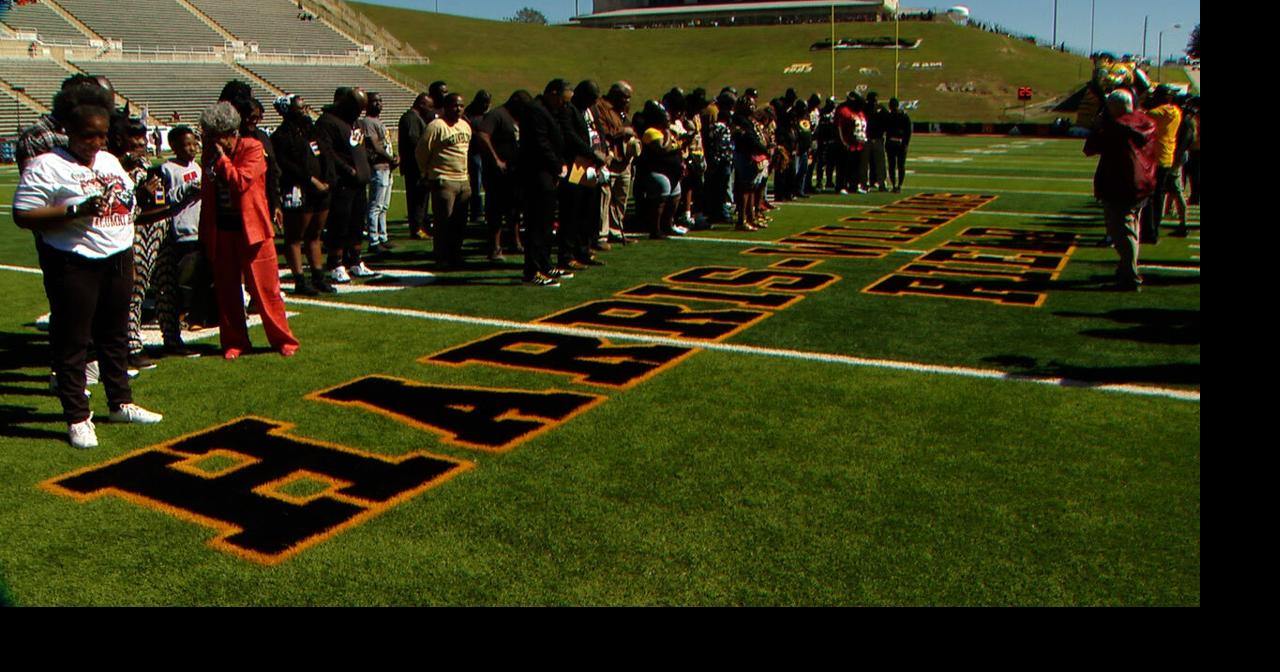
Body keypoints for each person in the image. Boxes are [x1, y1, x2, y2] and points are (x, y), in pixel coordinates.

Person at [13, 82, 163, 449]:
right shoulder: (47, 164)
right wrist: (73, 211)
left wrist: (140, 197)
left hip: (117, 254)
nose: (95, 142)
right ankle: (78, 416)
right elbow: (23, 214)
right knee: (74, 340)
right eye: (87, 135)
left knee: (114, 335)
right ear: (66, 130)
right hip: (75, 260)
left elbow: (123, 204)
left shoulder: (110, 160)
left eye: (101, 135)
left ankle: (120, 401)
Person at [199, 101, 300, 359]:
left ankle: (282, 338)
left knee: (266, 289)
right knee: (227, 290)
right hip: (223, 230)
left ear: (228, 134)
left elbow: (240, 181)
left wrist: (221, 159)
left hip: (253, 231)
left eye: (213, 136)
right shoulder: (209, 155)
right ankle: (235, 341)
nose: (209, 142)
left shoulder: (253, 148)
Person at [110, 113, 169, 371]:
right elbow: (120, 206)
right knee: (134, 287)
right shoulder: (113, 167)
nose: (140, 143)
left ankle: (171, 337)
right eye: (134, 138)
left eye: (142, 137)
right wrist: (138, 193)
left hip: (157, 227)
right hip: (132, 230)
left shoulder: (145, 165)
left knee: (157, 285)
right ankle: (131, 346)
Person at [1083, 89, 1157, 292]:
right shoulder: (1145, 120)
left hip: (1120, 184)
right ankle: (1125, 270)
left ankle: (1131, 276)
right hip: (1144, 181)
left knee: (1122, 233)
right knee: (1133, 230)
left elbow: (1090, 148)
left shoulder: (1115, 127)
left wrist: (1099, 126)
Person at [272, 94, 336, 295]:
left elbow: (325, 154)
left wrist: (327, 179)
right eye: (299, 108)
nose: (305, 111)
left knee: (315, 235)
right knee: (295, 236)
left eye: (305, 107)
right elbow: (287, 165)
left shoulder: (313, 131)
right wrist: (311, 180)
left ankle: (318, 275)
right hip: (299, 189)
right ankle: (300, 278)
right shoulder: (281, 136)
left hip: (322, 189)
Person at [316, 86, 375, 282]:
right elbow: (327, 151)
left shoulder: (355, 122)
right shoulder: (327, 122)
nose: (359, 112)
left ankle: (355, 260)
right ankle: (335, 263)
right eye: (357, 107)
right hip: (342, 181)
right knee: (339, 222)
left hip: (359, 181)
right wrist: (346, 169)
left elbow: (358, 145)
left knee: (357, 222)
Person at [154, 125, 204, 356]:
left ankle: (195, 314)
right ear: (174, 146)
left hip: (199, 229)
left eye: (195, 143)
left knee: (197, 278)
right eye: (187, 144)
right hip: (180, 231)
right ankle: (178, 317)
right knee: (180, 279)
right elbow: (163, 200)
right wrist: (187, 190)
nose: (192, 148)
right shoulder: (167, 169)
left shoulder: (197, 166)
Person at [518, 80, 573, 287]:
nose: (563, 105)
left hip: (547, 173)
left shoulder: (548, 110)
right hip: (536, 173)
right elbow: (541, 143)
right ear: (552, 93)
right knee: (537, 223)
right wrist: (557, 165)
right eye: (562, 100)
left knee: (547, 222)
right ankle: (532, 270)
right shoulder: (536, 110)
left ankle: (544, 263)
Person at [416, 92, 473, 269]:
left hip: (463, 179)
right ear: (446, 107)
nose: (458, 109)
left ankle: (455, 254)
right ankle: (441, 257)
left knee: (460, 223)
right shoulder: (436, 126)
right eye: (455, 106)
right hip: (443, 179)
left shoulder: (465, 126)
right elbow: (421, 151)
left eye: (461, 106)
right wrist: (426, 172)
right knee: (444, 223)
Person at [475, 90, 529, 261]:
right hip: (497, 173)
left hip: (514, 172)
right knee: (496, 211)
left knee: (514, 210)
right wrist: (496, 159)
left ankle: (515, 242)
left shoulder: (517, 117)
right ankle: (494, 247)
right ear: (514, 101)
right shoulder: (496, 115)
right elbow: (483, 135)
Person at [594, 81, 640, 244]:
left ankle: (616, 230)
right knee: (605, 199)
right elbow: (601, 130)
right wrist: (622, 131)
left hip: (624, 159)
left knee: (621, 198)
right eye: (625, 97)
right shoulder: (601, 107)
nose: (628, 101)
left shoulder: (622, 111)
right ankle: (602, 234)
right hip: (610, 158)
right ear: (616, 95)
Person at [1141, 85, 1182, 245]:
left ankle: (1150, 230)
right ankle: (1154, 228)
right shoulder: (1176, 112)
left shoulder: (1159, 112)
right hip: (1168, 156)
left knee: (1151, 197)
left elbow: (1143, 115)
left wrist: (1144, 100)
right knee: (1159, 196)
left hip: (1156, 156)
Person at [360, 91, 398, 255]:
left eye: (380, 101)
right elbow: (374, 146)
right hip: (378, 167)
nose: (378, 104)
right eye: (375, 101)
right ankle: (373, 239)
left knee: (384, 206)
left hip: (386, 167)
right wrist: (391, 158)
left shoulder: (378, 122)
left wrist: (394, 157)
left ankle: (383, 236)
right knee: (375, 205)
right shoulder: (368, 122)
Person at [399, 93, 432, 239]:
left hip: (416, 165)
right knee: (417, 199)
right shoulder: (411, 118)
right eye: (429, 106)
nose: (430, 110)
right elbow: (414, 141)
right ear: (421, 104)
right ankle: (417, 228)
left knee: (421, 198)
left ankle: (421, 226)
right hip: (414, 166)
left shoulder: (414, 118)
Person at [464, 90, 491, 223]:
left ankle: (486, 210)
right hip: (474, 152)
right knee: (476, 183)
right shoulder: (468, 115)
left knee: (487, 183)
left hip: (485, 152)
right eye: (484, 102)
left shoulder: (486, 115)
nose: (486, 105)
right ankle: (477, 211)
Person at [884, 97, 912, 192]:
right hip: (900, 143)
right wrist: (906, 143)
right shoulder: (903, 116)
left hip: (891, 143)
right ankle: (898, 185)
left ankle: (895, 185)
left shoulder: (888, 116)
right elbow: (908, 131)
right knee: (900, 165)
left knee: (893, 165)